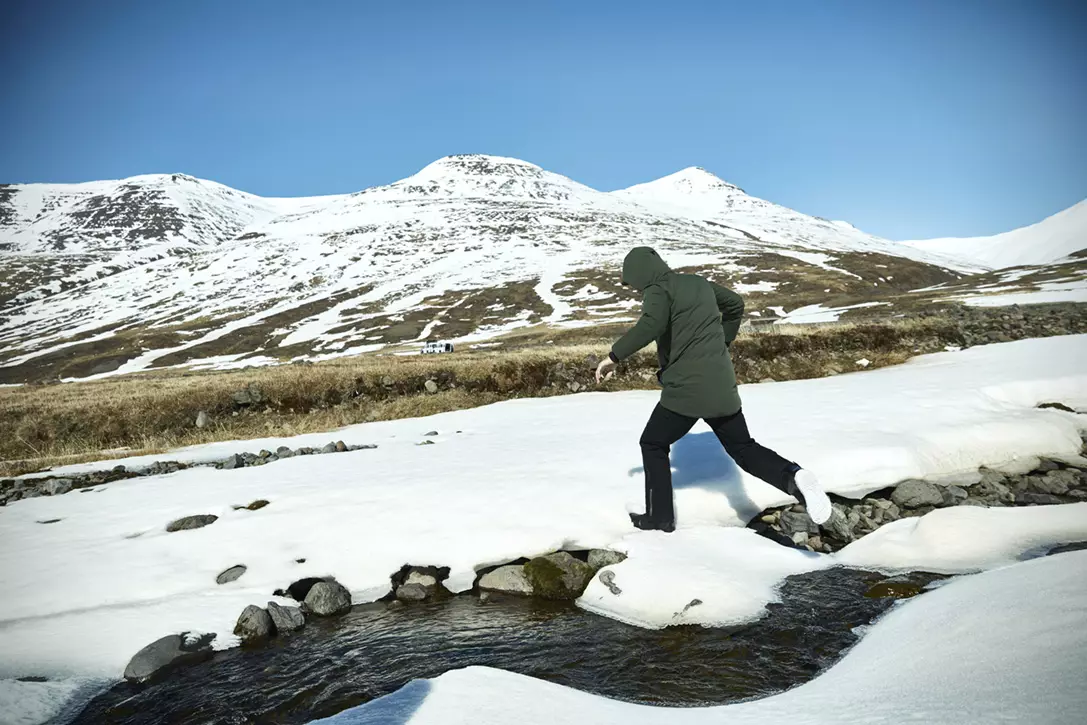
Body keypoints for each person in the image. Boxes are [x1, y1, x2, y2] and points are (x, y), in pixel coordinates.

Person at [594, 247, 831, 533]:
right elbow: (735, 304)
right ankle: (793, 477)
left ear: (640, 274)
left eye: (631, 282)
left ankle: (659, 519)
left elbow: (651, 325)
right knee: (743, 448)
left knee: (653, 443)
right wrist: (723, 341)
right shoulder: (698, 283)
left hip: (686, 391)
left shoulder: (657, 291)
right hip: (721, 385)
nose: (633, 289)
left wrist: (613, 356)